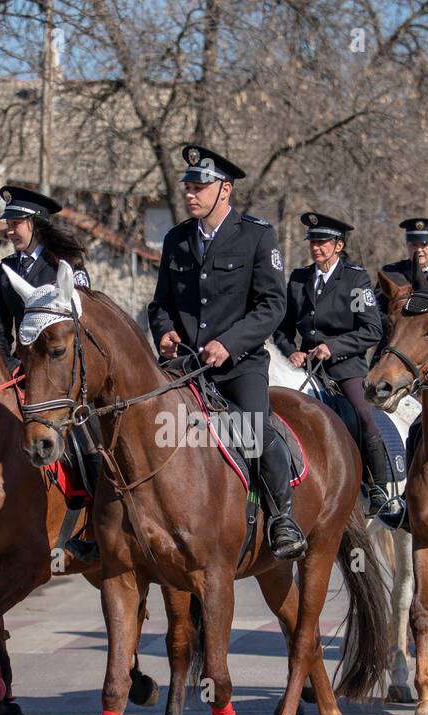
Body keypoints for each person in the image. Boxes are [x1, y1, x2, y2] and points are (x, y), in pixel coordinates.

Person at [147, 144, 303, 558]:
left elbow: (272, 305)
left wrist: (229, 344)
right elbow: (160, 303)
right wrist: (163, 332)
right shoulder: (176, 239)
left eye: (200, 186)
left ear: (225, 190)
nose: (190, 193)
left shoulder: (256, 235)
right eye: (188, 186)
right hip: (182, 367)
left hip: (240, 366)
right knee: (145, 428)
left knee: (254, 429)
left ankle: (282, 516)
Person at [271, 212, 393, 516]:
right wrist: (290, 351)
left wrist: (333, 347)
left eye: (323, 242)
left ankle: (380, 489)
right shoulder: (299, 279)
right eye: (313, 241)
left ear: (339, 245)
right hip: (305, 367)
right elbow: (283, 329)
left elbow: (371, 330)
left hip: (345, 369)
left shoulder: (354, 279)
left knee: (364, 416)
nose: (316, 247)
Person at [0, 185, 91, 350]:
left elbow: (84, 321)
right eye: (8, 225)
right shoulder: (5, 269)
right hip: (23, 366)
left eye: (15, 224)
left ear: (35, 224)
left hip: (61, 366)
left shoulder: (66, 265)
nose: (9, 232)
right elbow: (0, 329)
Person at [380, 217, 428, 290]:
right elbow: (377, 305)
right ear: (407, 244)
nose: (418, 249)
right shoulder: (391, 274)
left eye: (424, 244)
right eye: (414, 244)